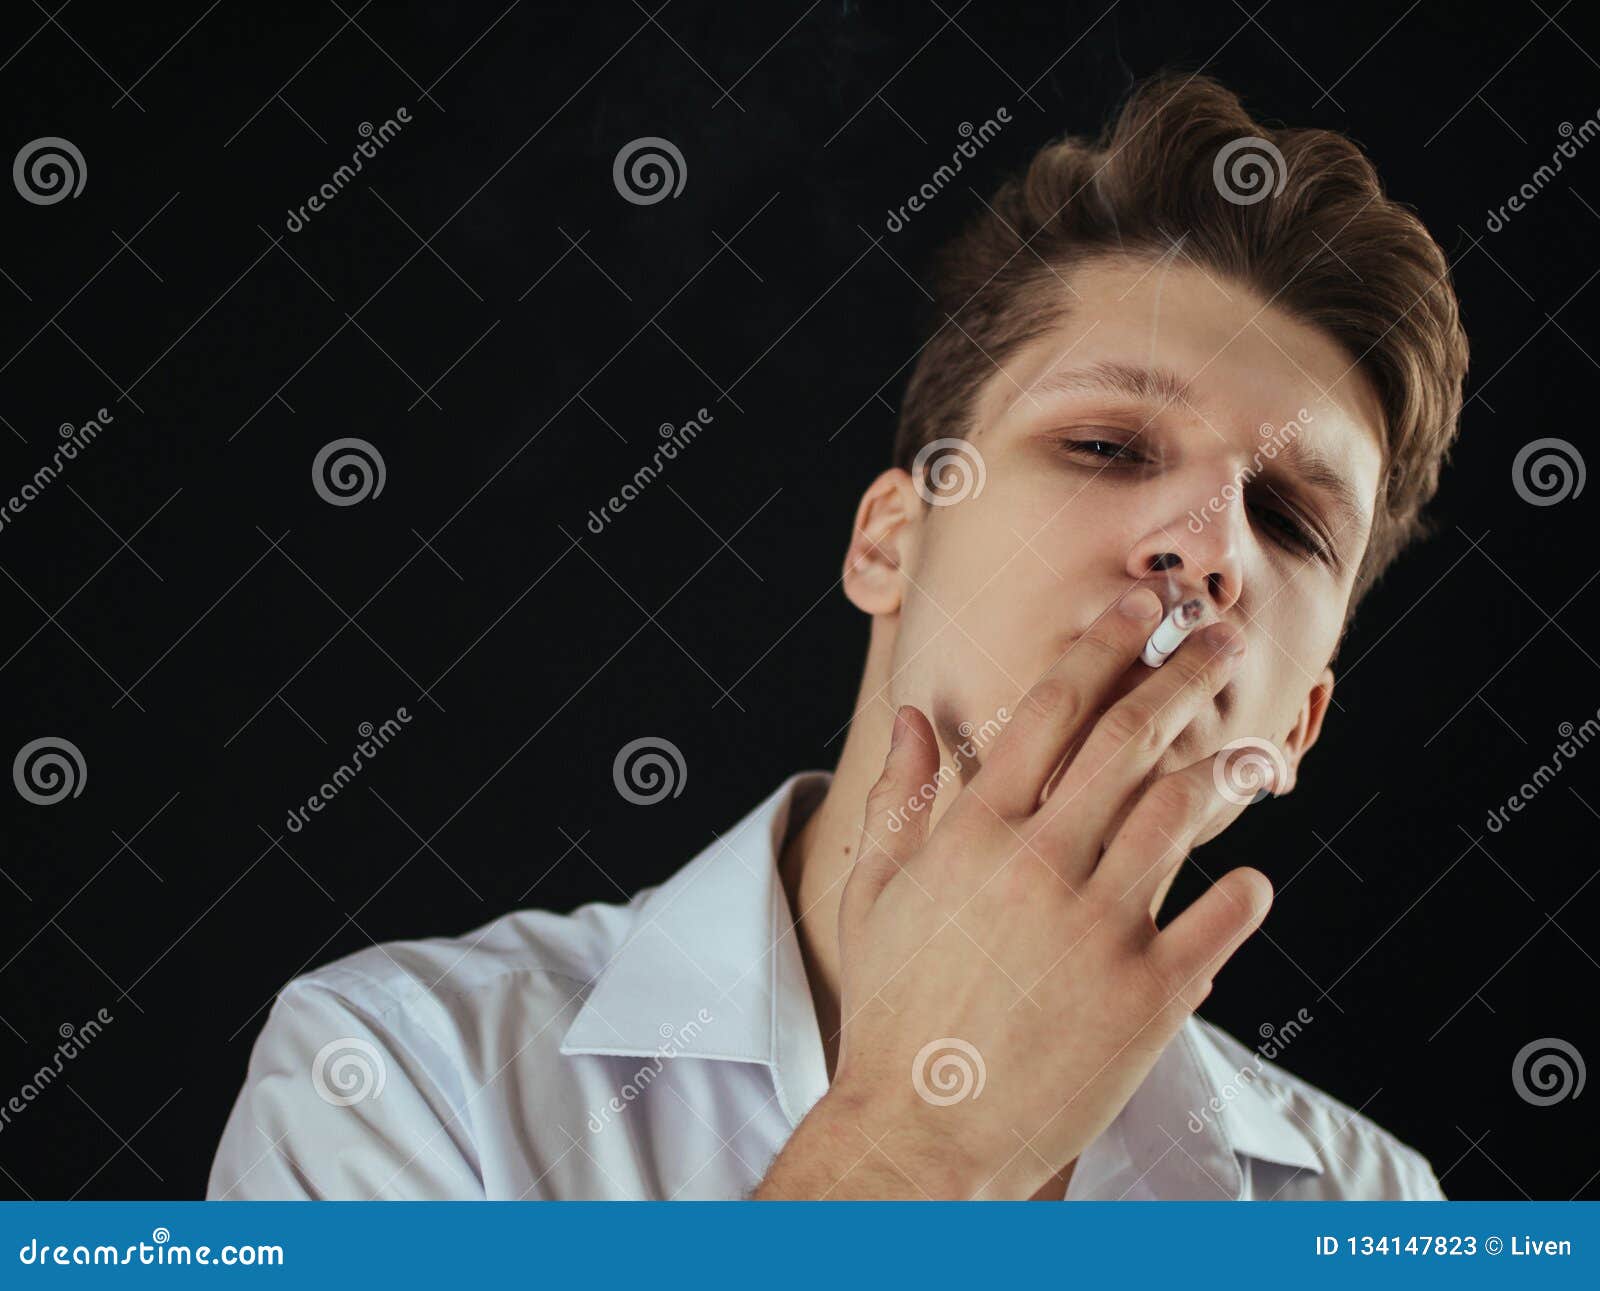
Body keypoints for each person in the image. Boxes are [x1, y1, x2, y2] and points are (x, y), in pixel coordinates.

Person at [208, 71, 1467, 1201]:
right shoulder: (405, 1076)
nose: (1207, 547)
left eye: (1288, 521)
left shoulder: (1371, 1209)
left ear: (1298, 725)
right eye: (1104, 444)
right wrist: (916, 1143)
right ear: (889, 545)